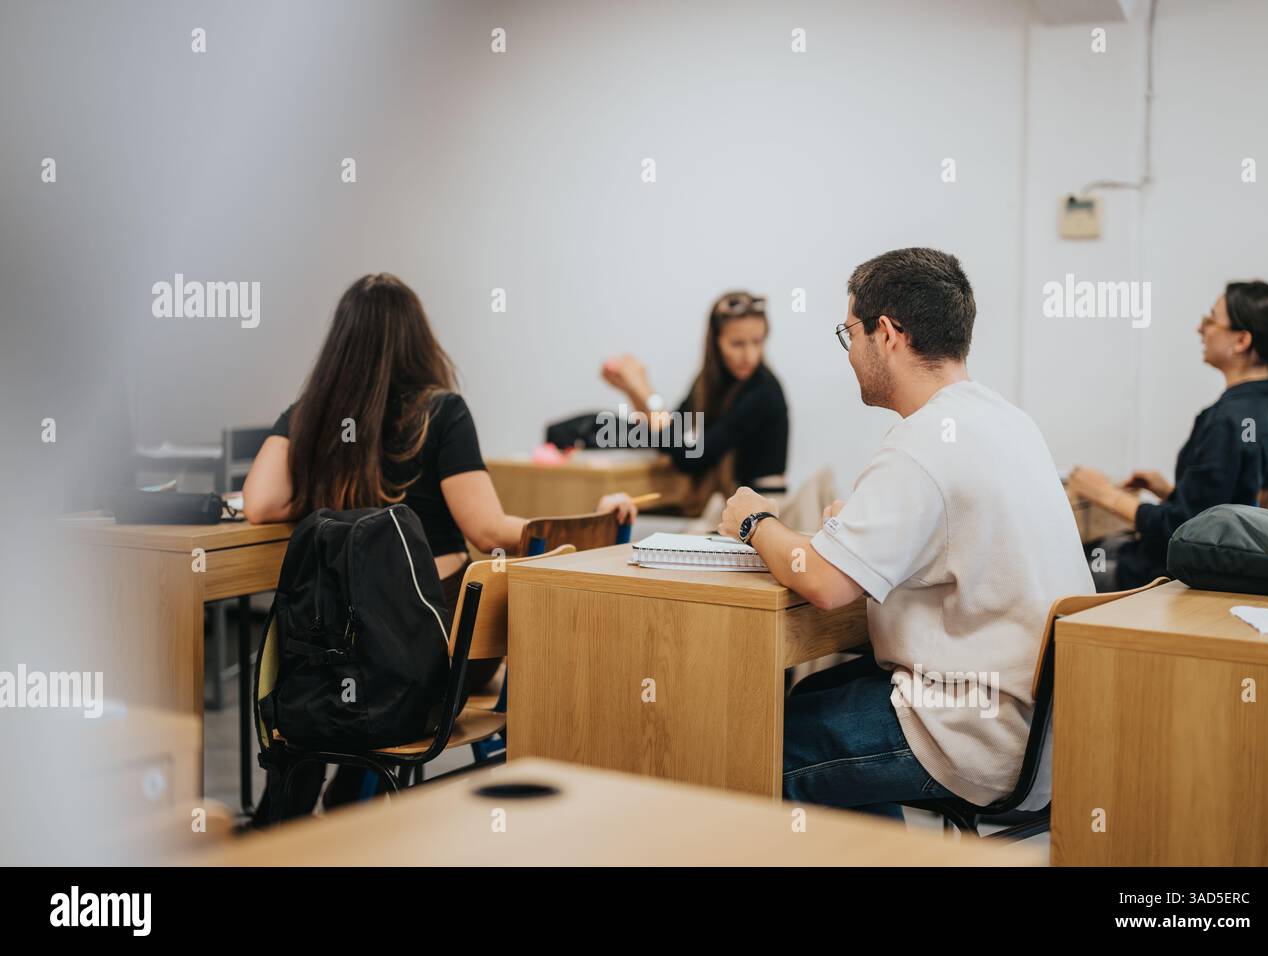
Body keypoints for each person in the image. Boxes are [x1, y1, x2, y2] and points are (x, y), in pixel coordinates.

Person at [717, 248, 1092, 817]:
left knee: (743, 749)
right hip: (1045, 732)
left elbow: (821, 582)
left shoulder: (921, 447)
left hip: (972, 737)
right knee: (811, 697)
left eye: (850, 335)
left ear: (886, 333)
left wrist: (752, 520)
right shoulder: (1006, 421)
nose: (850, 355)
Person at [243, 273, 636, 811]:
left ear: (338, 345)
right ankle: (349, 805)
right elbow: (487, 530)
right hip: (428, 645)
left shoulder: (313, 416)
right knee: (406, 659)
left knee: (315, 661)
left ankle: (295, 806)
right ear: (417, 339)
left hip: (337, 645)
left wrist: (322, 491)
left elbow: (259, 503)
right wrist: (587, 524)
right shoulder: (441, 413)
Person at [1069, 281, 1268, 591]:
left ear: (1242, 340)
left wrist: (1105, 495)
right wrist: (1167, 491)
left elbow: (1185, 531)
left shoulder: (1228, 420)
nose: (1200, 329)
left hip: (1171, 576)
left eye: (1211, 319)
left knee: (1068, 563)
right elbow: (1230, 508)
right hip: (1246, 572)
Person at [601, 290, 788, 507]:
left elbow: (692, 457)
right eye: (737, 344)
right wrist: (632, 390)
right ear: (716, 342)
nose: (750, 355)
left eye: (757, 342)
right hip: (738, 509)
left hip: (765, 513)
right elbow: (670, 438)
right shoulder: (708, 384)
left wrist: (645, 391)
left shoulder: (764, 391)